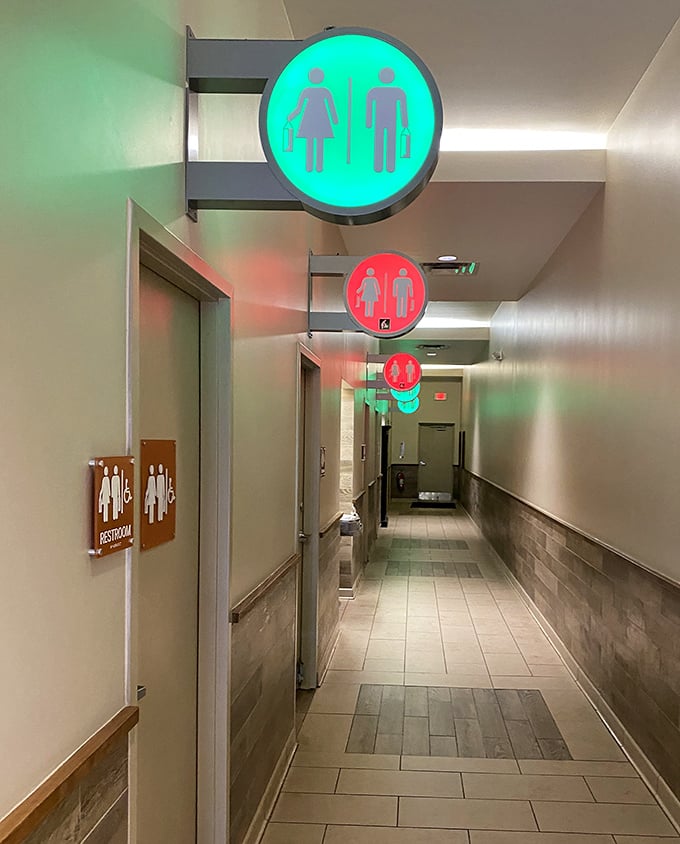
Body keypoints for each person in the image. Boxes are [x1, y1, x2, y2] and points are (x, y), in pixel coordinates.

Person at [287, 68, 338, 173]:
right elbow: (331, 107)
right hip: (319, 120)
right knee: (319, 143)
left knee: (311, 143)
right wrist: (334, 119)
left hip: (310, 120)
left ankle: (310, 167)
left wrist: (291, 116)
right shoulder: (324, 91)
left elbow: (299, 108)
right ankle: (317, 167)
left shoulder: (307, 91)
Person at [366, 68, 408, 173]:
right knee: (389, 141)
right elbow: (403, 108)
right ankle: (388, 167)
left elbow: (369, 108)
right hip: (390, 121)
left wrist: (369, 122)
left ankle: (379, 166)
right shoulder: (398, 92)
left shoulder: (374, 91)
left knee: (380, 141)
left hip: (381, 121)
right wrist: (404, 123)